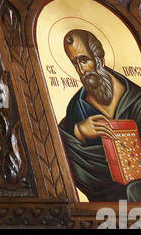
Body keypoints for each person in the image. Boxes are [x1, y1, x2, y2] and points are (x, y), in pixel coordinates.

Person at [58, 29, 141, 202]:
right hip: (107, 203)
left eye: (84, 60)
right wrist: (79, 131)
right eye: (75, 63)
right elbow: (69, 153)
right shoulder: (77, 107)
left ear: (100, 61)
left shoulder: (136, 99)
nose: (81, 70)